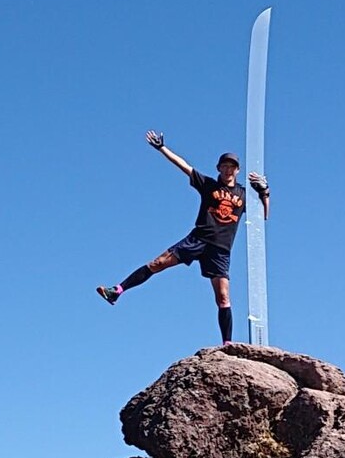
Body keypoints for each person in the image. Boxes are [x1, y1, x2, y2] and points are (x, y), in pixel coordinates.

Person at [96, 130, 270, 344]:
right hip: (197, 239)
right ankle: (117, 291)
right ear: (218, 168)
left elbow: (263, 216)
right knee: (157, 263)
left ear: (237, 170)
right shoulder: (209, 185)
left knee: (223, 297)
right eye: (224, 166)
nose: (227, 170)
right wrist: (162, 148)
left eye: (231, 166)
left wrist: (264, 192)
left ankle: (227, 344)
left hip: (220, 249)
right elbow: (184, 167)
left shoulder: (243, 195)